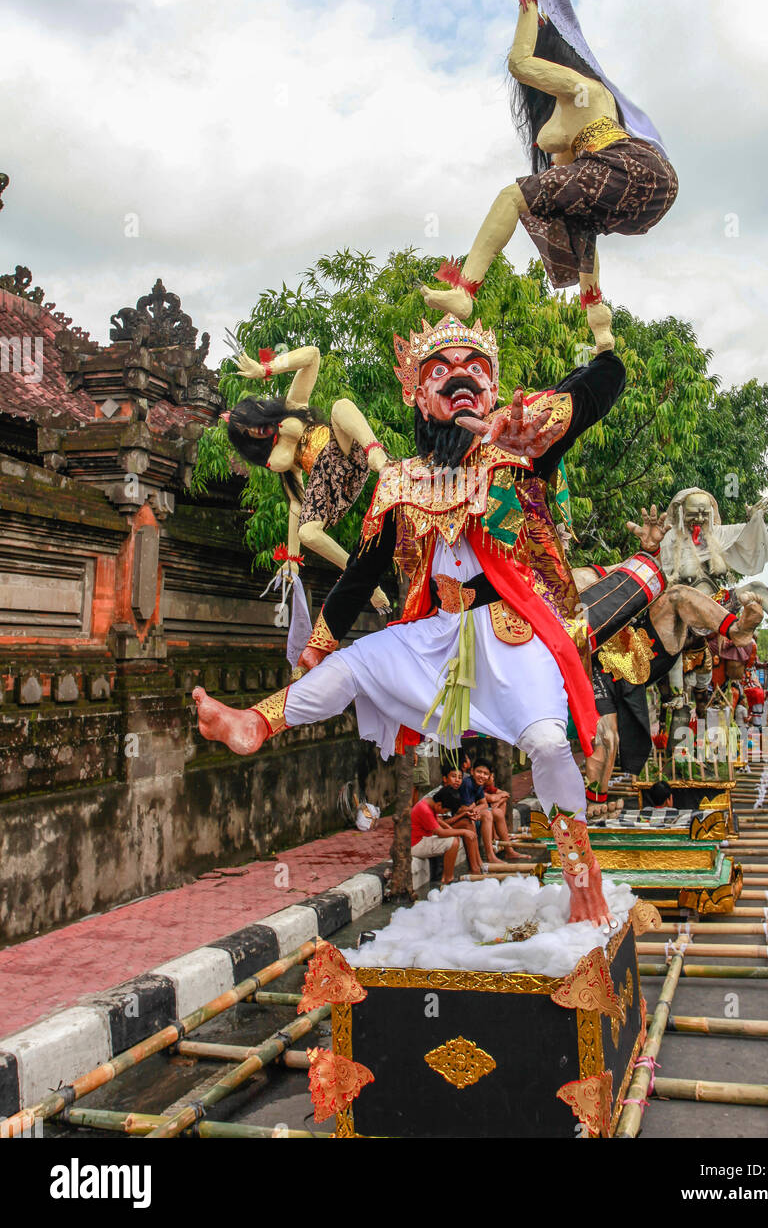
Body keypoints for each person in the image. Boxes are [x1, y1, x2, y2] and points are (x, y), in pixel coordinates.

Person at [193, 307, 672, 928]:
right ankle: (255, 723)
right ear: (418, 395)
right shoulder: (397, 484)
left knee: (549, 746)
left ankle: (580, 871)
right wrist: (318, 642)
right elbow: (360, 574)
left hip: (510, 633)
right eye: (440, 372)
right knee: (354, 666)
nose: (459, 380)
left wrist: (602, 342)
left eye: (475, 371)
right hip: (434, 637)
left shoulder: (518, 453)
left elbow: (598, 390)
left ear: (492, 388)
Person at [420, 0, 677, 348]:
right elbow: (580, 216)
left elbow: (520, 63)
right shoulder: (581, 127)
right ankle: (600, 324)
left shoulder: (583, 91)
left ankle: (465, 290)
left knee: (511, 195)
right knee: (580, 220)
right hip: (648, 189)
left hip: (634, 170)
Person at [223, 342, 391, 612]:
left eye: (250, 423)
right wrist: (291, 558)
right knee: (307, 531)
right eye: (245, 432)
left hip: (346, 452)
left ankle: (378, 456)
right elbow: (297, 503)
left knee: (341, 405)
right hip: (330, 484)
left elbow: (313, 354)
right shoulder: (278, 460)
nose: (252, 431)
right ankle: (365, 580)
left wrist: (265, 369)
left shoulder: (292, 407)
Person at [410, 791, 481, 884]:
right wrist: (463, 832)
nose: (444, 813)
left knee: (454, 838)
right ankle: (448, 878)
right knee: (453, 842)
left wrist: (451, 830)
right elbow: (441, 833)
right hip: (415, 844)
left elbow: (437, 820)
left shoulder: (428, 802)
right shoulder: (425, 810)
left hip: (422, 838)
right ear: (439, 805)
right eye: (445, 811)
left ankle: (448, 876)